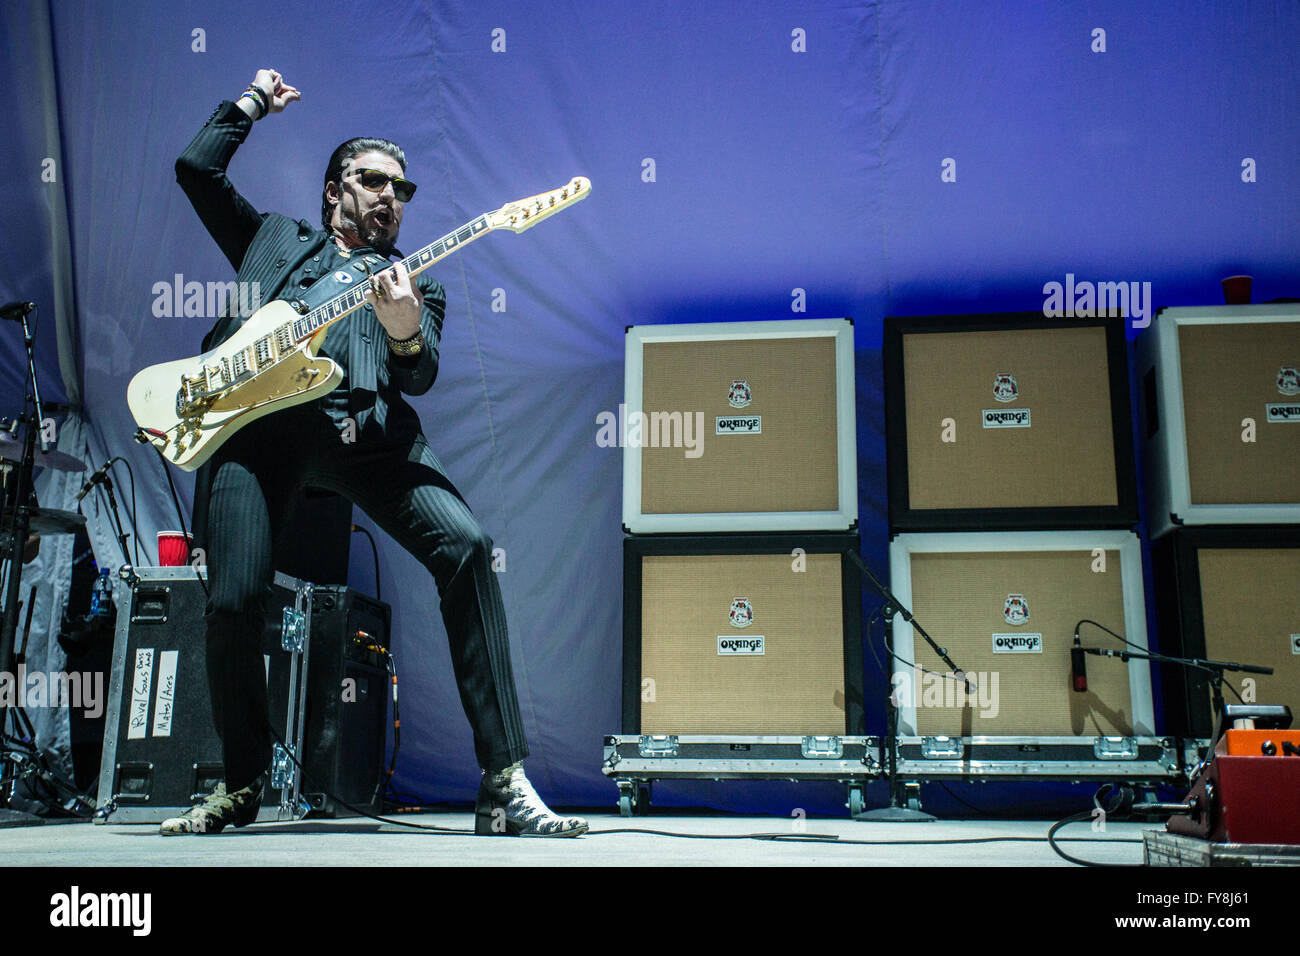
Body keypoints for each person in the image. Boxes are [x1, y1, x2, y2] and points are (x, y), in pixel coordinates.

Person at [161, 69, 585, 837]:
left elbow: (418, 371)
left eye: (402, 188)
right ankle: (242, 781)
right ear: (334, 193)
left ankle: (504, 781)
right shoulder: (271, 241)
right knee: (231, 602)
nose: (391, 196)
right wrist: (252, 103)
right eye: (373, 181)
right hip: (255, 435)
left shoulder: (412, 282)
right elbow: (195, 168)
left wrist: (404, 328)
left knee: (468, 548)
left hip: (366, 436)